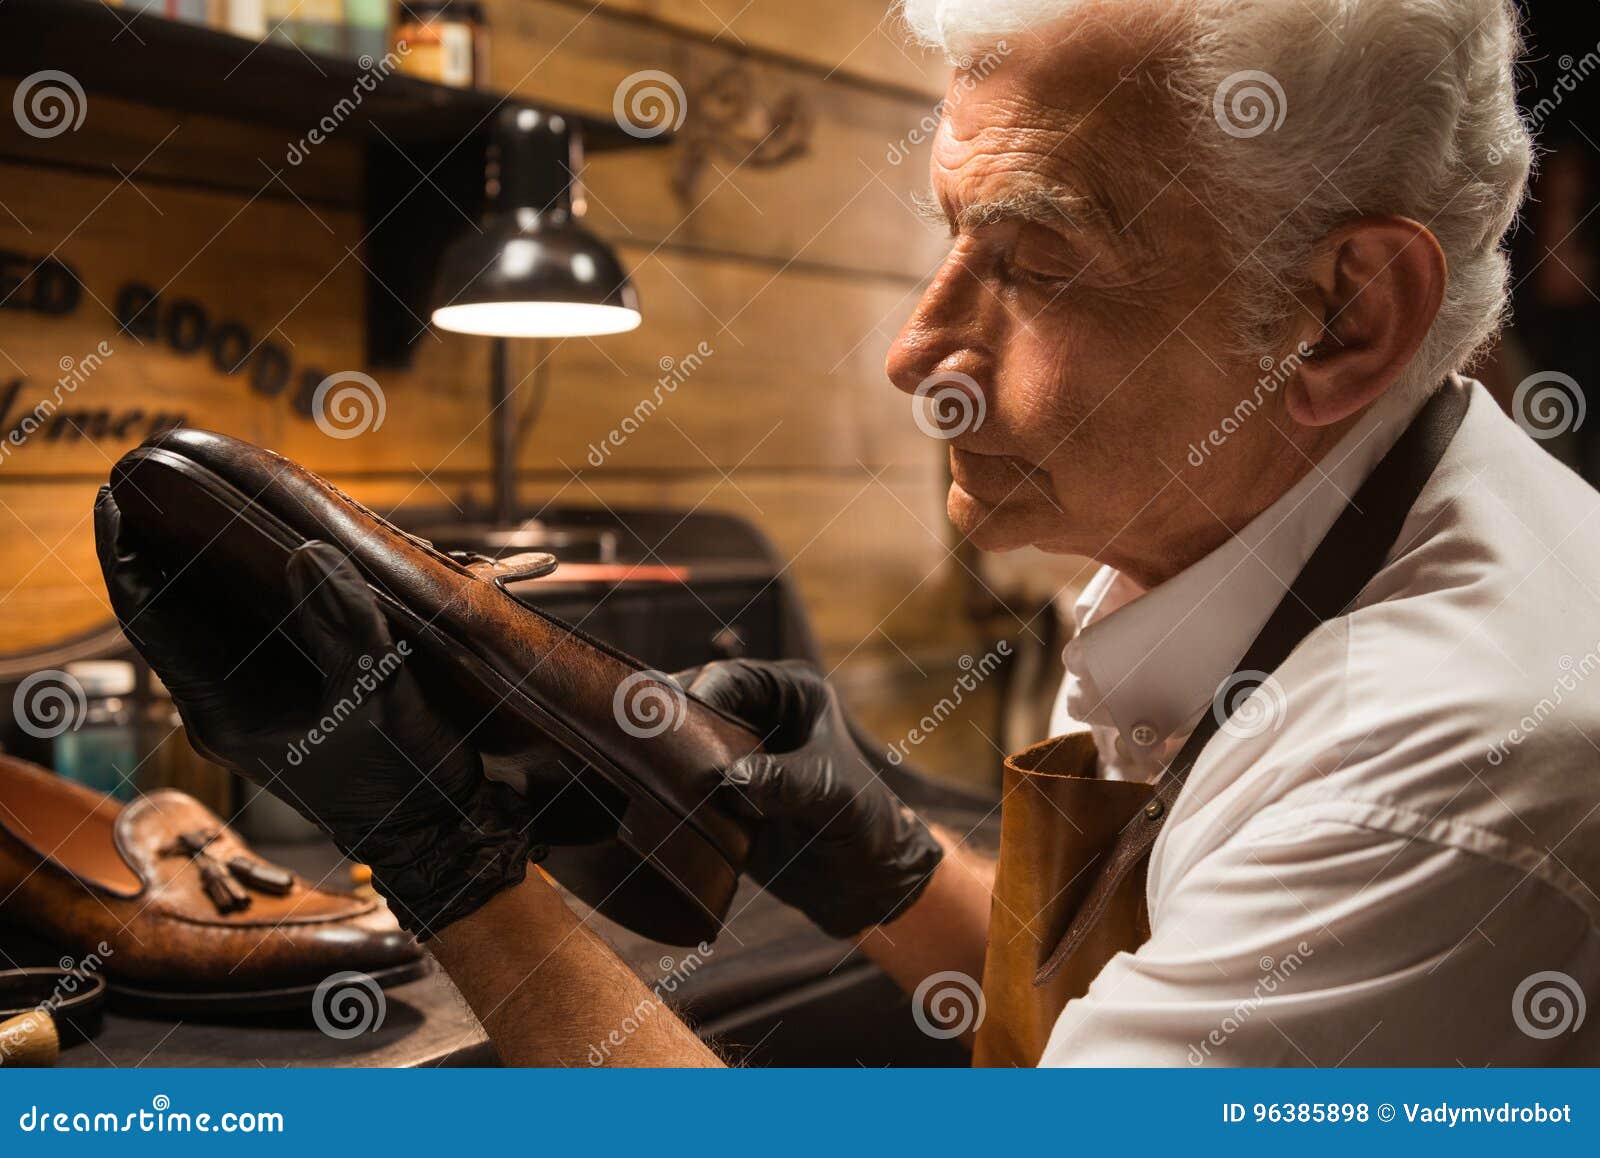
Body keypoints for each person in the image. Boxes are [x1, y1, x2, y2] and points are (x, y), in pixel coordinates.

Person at [96, 0, 1600, 1065]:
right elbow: (1110, 1011)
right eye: (956, 231)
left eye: (1038, 260)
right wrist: (871, 855)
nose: (914, 347)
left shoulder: (1444, 767)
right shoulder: (1250, 517)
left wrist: (444, 865)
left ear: (1343, 316)